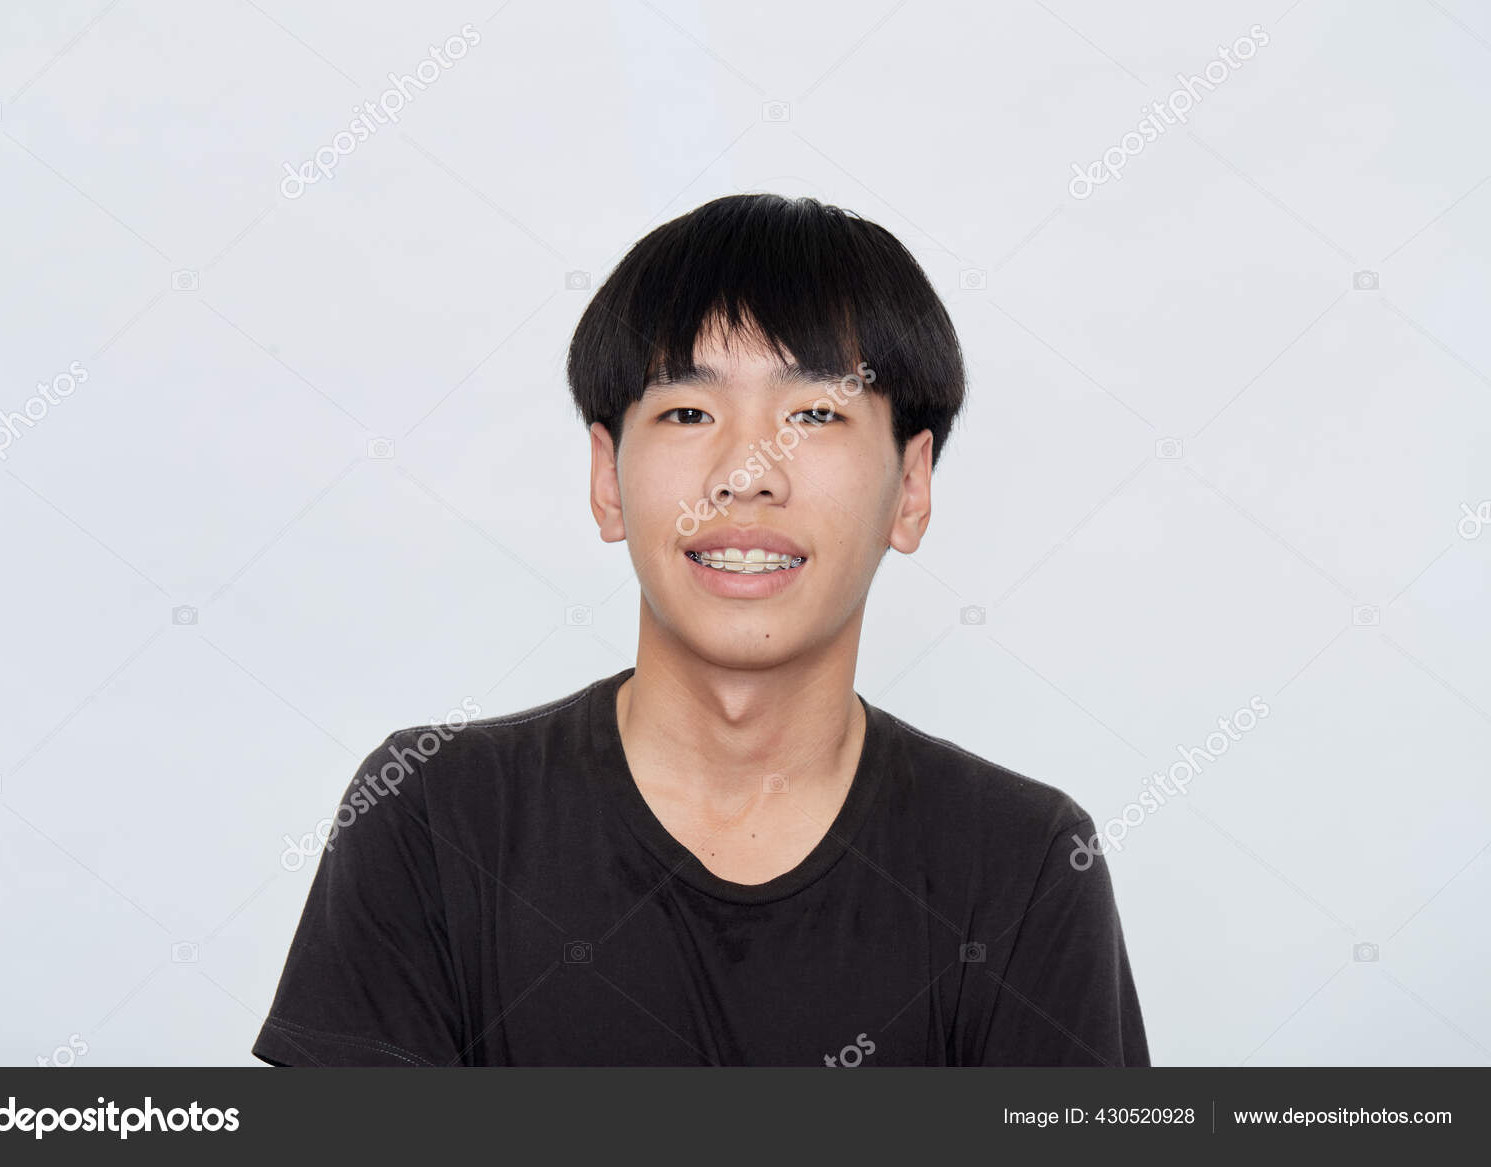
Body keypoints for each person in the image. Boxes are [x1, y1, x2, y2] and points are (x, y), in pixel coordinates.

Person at [252, 193, 1149, 1067]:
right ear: (608, 478)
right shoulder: (433, 821)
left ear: (910, 490)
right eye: (688, 412)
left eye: (815, 414)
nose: (746, 473)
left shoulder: (1022, 866)